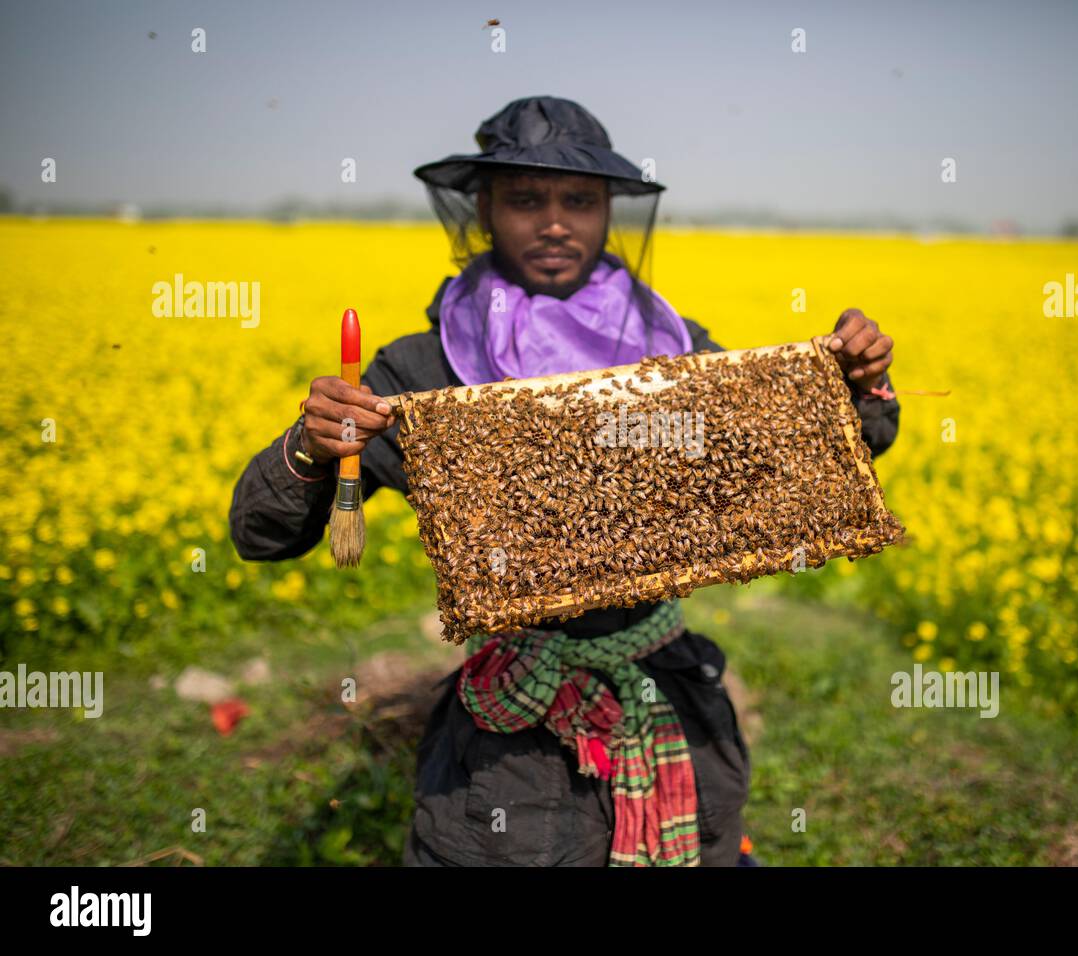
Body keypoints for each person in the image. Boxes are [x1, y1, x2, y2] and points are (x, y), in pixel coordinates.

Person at [228, 95, 901, 867]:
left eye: (579, 200)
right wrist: (309, 450)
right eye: (525, 199)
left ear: (609, 211)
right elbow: (261, 534)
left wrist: (851, 384)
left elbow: (797, 448)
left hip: (667, 690)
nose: (554, 223)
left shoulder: (673, 350)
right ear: (483, 211)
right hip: (511, 737)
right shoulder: (422, 368)